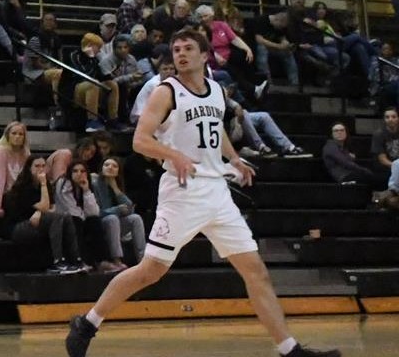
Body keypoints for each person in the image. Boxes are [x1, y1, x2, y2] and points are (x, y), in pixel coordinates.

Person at [64, 29, 341, 357]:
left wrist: (234, 158)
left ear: (204, 55)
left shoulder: (217, 91)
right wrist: (175, 155)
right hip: (182, 193)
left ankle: (289, 349)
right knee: (150, 271)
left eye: (187, 48)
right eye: (176, 49)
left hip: (217, 193)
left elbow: (215, 129)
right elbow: (140, 140)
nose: (180, 54)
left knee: (256, 271)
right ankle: (88, 323)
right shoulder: (166, 92)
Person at [3, 158, 71, 273]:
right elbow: (45, 207)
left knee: (66, 217)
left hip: (39, 222)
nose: (41, 169)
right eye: (37, 166)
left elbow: (53, 207)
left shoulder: (46, 186)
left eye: (43, 166)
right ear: (29, 169)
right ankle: (57, 261)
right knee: (56, 218)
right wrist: (43, 184)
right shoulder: (24, 187)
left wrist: (40, 212)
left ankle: (75, 259)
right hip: (19, 226)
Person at [52, 163, 110, 274]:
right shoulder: (63, 184)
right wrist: (84, 216)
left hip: (79, 218)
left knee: (94, 221)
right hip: (63, 221)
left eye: (82, 171)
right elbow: (71, 209)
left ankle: (102, 261)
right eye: (75, 171)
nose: (79, 174)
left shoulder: (86, 185)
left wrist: (86, 191)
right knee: (76, 221)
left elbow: (94, 212)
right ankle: (79, 261)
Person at [93, 157, 145, 270]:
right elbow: (96, 212)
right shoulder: (95, 184)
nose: (110, 167)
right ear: (101, 168)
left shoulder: (117, 185)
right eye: (107, 165)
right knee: (112, 218)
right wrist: (117, 209)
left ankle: (142, 260)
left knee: (135, 218)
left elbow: (130, 208)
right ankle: (117, 260)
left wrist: (116, 188)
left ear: (118, 171)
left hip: (116, 223)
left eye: (114, 166)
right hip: (99, 224)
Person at [0, 122, 31, 216]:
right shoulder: (1, 151)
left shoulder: (26, 154)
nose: (17, 137)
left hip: (16, 195)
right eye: (14, 133)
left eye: (20, 134)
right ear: (8, 135)